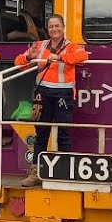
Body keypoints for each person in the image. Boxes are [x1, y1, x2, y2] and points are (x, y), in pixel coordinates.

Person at [15, 14, 89, 186]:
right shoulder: (40, 46)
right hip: (43, 95)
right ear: (47, 29)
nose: (54, 29)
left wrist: (60, 57)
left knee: (64, 134)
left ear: (63, 28)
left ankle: (64, 172)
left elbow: (83, 56)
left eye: (57, 26)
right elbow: (18, 63)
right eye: (51, 27)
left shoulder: (71, 47)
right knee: (41, 134)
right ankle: (35, 173)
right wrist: (29, 56)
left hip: (64, 95)